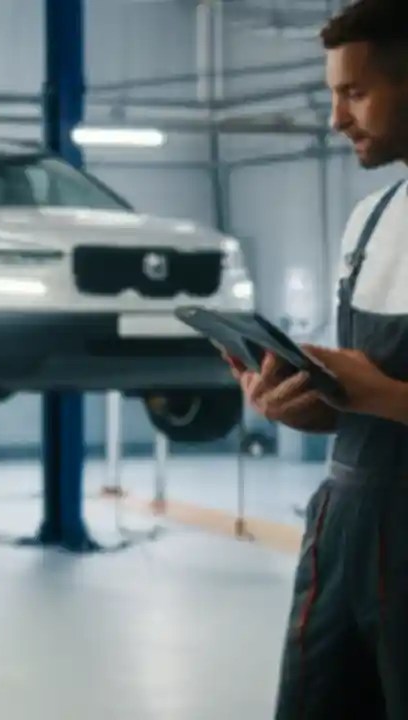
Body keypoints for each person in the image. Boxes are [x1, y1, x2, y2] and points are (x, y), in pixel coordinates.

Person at [228, 2, 408, 717]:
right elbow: (358, 411)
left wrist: (386, 396)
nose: (336, 117)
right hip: (339, 529)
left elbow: (385, 397)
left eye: (355, 92)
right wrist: (303, 403)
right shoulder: (367, 221)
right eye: (333, 92)